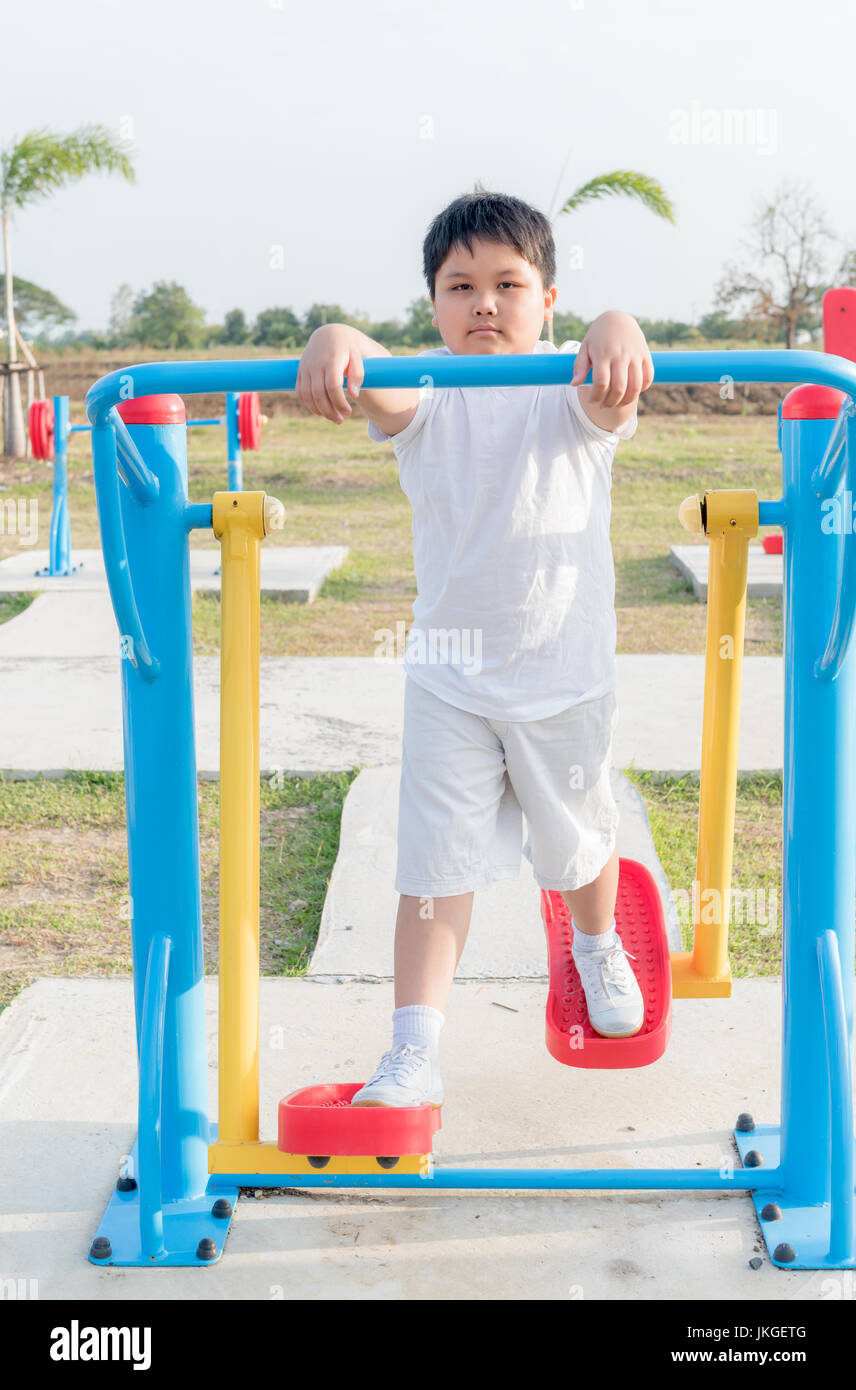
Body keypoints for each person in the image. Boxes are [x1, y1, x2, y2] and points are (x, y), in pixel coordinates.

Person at [295, 188, 655, 1107]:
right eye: (461, 286)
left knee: (578, 845)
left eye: (508, 283)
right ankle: (413, 1048)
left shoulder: (569, 392)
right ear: (434, 306)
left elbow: (613, 387)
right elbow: (372, 375)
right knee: (430, 868)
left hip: (562, 674)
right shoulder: (429, 392)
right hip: (451, 679)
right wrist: (338, 333)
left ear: (547, 301)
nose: (484, 302)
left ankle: (595, 943)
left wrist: (616, 324)